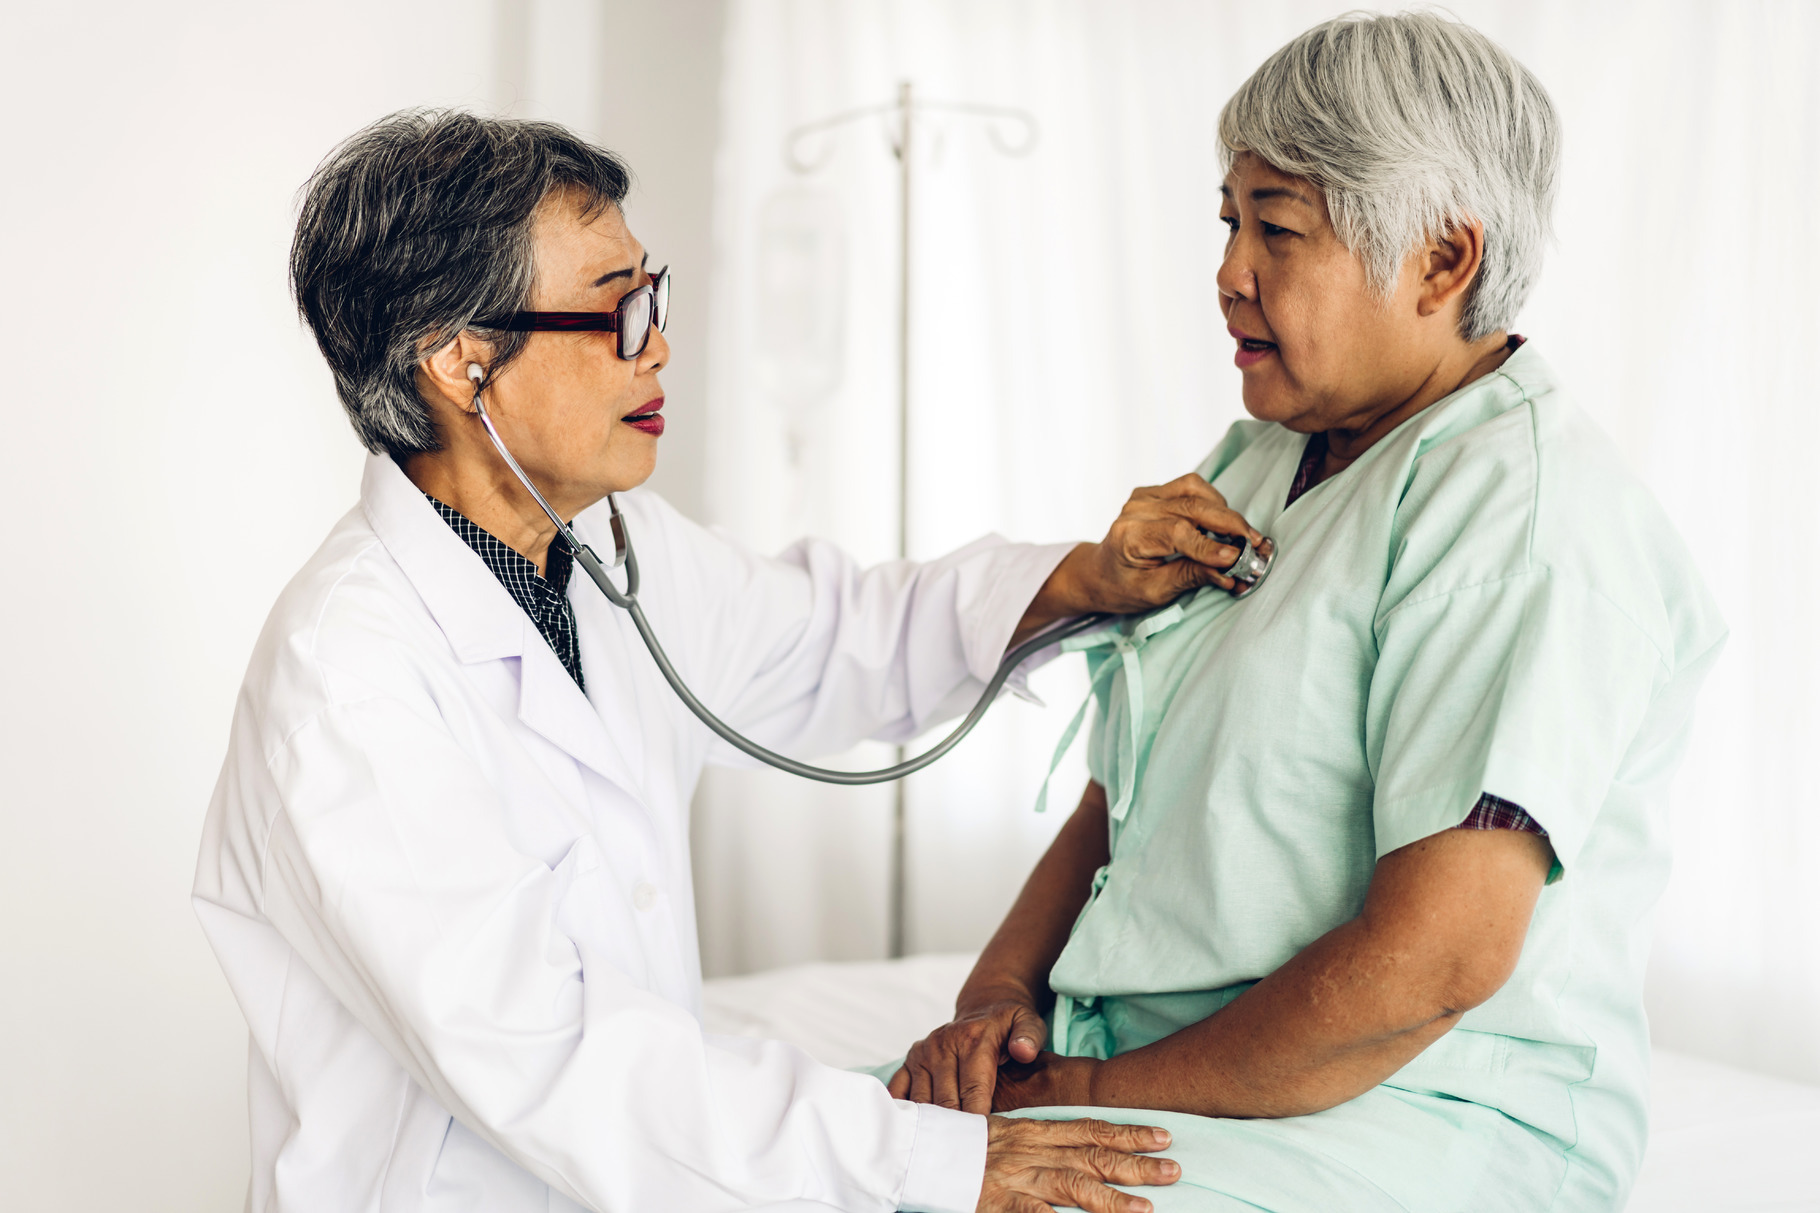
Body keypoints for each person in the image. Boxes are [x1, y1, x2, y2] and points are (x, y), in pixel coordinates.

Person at [190, 110, 1258, 1213]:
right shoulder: (348, 678)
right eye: (616, 310)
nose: (656, 345)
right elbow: (546, 1046)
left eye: (651, 297)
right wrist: (924, 1159)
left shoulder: (608, 554)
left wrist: (1082, 579)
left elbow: (842, 634)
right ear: (463, 365)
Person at [889, 13, 1727, 1212]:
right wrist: (995, 1005)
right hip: (1160, 1075)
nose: (1228, 270)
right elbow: (1124, 800)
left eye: (1275, 228)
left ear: (1441, 262)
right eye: (1228, 221)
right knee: (789, 1154)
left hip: (1414, 1115)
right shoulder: (1265, 458)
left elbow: (1430, 964)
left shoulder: (1523, 520)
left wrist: (1085, 1085)